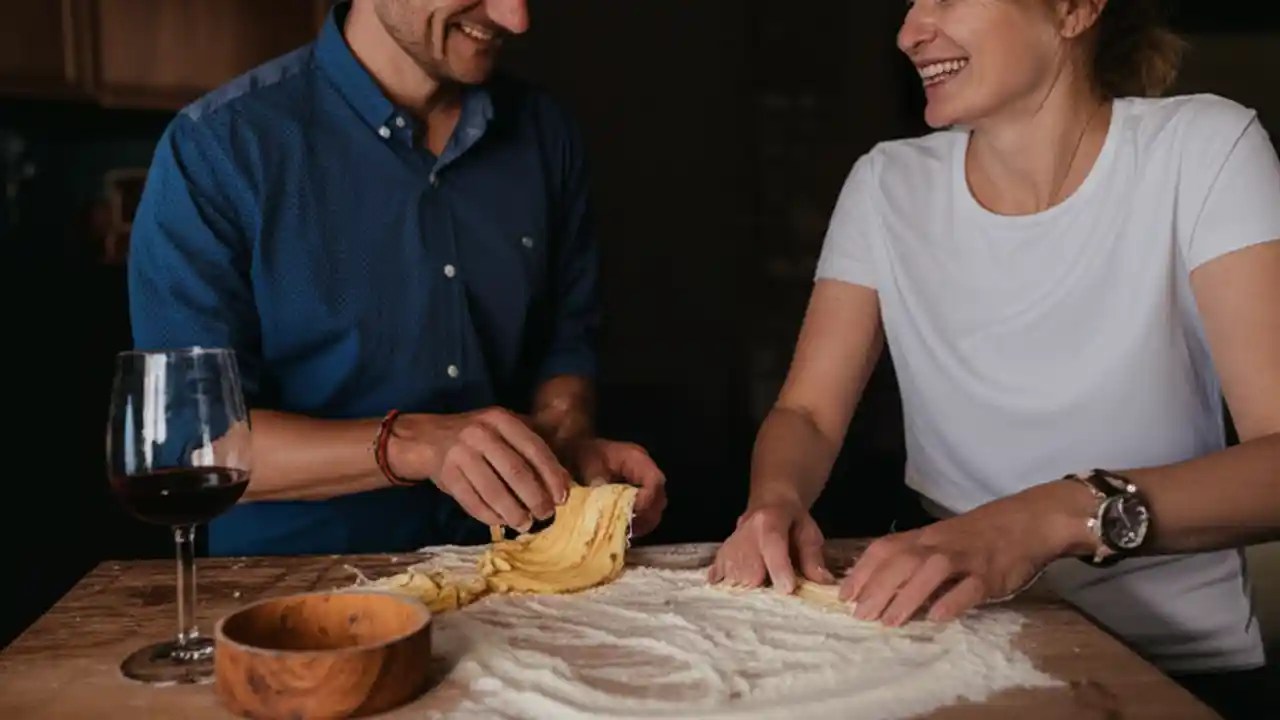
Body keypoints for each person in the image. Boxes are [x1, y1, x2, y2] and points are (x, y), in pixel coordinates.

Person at [710, 0, 1279, 717]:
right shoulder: (889, 182)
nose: (910, 32)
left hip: (1172, 666)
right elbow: (808, 414)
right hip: (948, 647)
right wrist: (776, 501)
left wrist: (1039, 521)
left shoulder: (1202, 149)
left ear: (1073, 10)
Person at [127, 0, 667, 557]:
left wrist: (568, 440)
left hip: (514, 574)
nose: (515, 18)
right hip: (292, 593)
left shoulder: (546, 133)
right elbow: (192, 443)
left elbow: (566, 342)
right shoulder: (218, 149)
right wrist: (413, 444)